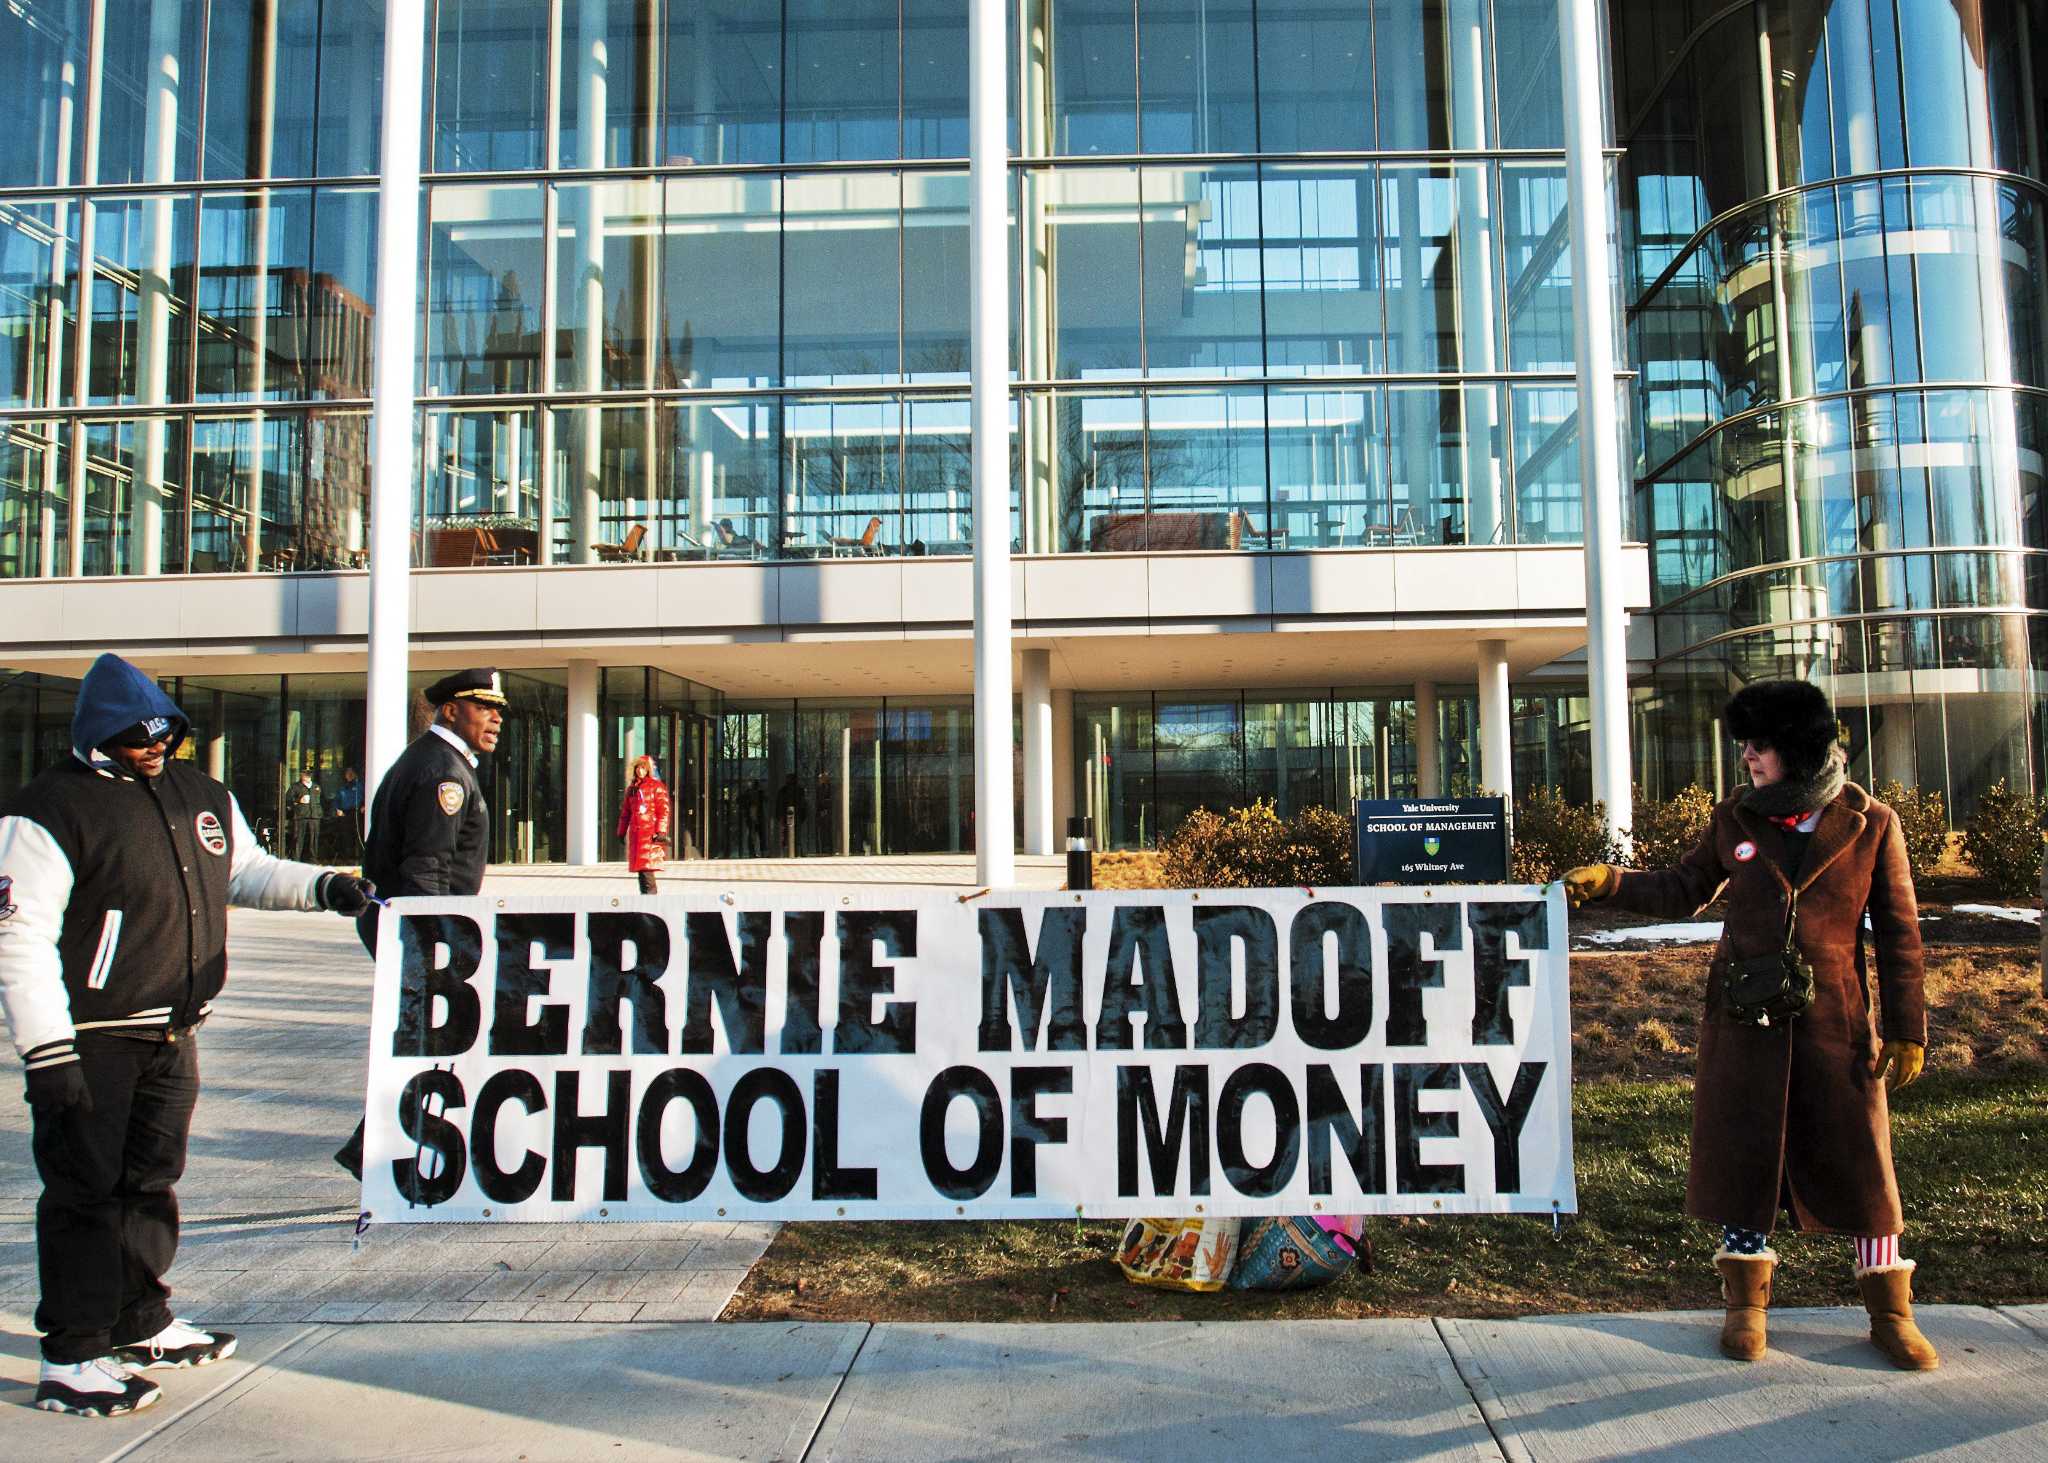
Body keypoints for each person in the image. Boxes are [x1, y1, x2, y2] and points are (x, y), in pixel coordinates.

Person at [0, 654, 373, 1418]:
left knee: (149, 1182)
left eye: (165, 733)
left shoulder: (199, 795)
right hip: (91, 1036)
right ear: (101, 735)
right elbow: (20, 935)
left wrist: (324, 886)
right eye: (138, 737)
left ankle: (141, 1320)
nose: (155, 747)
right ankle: (71, 1352)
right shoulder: (48, 810)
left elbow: (247, 870)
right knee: (83, 1192)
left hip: (174, 1031)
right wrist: (47, 1051)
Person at [1563, 679, 1936, 1371]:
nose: (1747, 758)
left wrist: (1907, 1026)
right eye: (1745, 745)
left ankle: (1890, 1309)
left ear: (1796, 748)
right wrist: (1612, 882)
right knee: (1747, 1158)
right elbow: (1683, 886)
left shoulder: (1871, 822)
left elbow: (1900, 933)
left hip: (1835, 1023)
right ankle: (1745, 1304)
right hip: (1745, 1019)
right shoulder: (1736, 817)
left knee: (1863, 1163)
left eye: (1758, 746)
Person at [332, 668, 505, 1181]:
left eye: (499, 710)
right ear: (450, 710)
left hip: (411, 928)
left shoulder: (439, 761)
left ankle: (374, 1150)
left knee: (426, 1041)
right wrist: (436, 949)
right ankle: (381, 1153)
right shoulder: (443, 773)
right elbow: (426, 868)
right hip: (418, 931)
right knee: (428, 1040)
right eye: (483, 707)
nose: (496, 718)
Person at [616, 755, 671, 894]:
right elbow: (626, 813)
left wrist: (660, 832)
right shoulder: (632, 789)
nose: (640, 771)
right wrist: (621, 832)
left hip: (649, 835)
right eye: (638, 768)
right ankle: (646, 899)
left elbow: (663, 810)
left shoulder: (656, 787)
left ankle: (650, 901)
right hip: (637, 835)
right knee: (641, 870)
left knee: (647, 869)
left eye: (643, 768)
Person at [285, 768, 323, 863]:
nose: (308, 776)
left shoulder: (316, 787)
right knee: (298, 838)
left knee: (313, 839)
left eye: (309, 774)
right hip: (300, 816)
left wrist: (321, 812)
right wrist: (298, 801)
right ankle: (296, 859)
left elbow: (323, 800)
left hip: (314, 816)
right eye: (306, 774)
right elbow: (287, 800)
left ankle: (313, 859)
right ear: (302, 775)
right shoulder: (295, 787)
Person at [334, 766, 364, 851]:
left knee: (358, 834)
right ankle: (348, 855)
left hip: (357, 813)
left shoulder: (360, 785)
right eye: (348, 773)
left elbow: (368, 796)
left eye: (351, 773)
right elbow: (336, 800)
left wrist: (365, 806)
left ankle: (358, 855)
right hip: (345, 813)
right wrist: (337, 809)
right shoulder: (342, 787)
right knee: (346, 834)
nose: (349, 775)